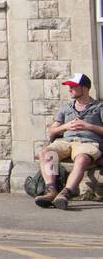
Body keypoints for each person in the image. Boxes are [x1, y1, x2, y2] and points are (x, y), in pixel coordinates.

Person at [34, 73, 103, 210]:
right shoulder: (66, 108)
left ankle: (65, 193)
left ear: (84, 88)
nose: (69, 89)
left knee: (82, 158)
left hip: (87, 143)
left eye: (73, 86)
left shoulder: (99, 107)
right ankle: (51, 191)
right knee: (46, 152)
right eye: (69, 86)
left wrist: (88, 126)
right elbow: (52, 131)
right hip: (66, 141)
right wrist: (65, 126)